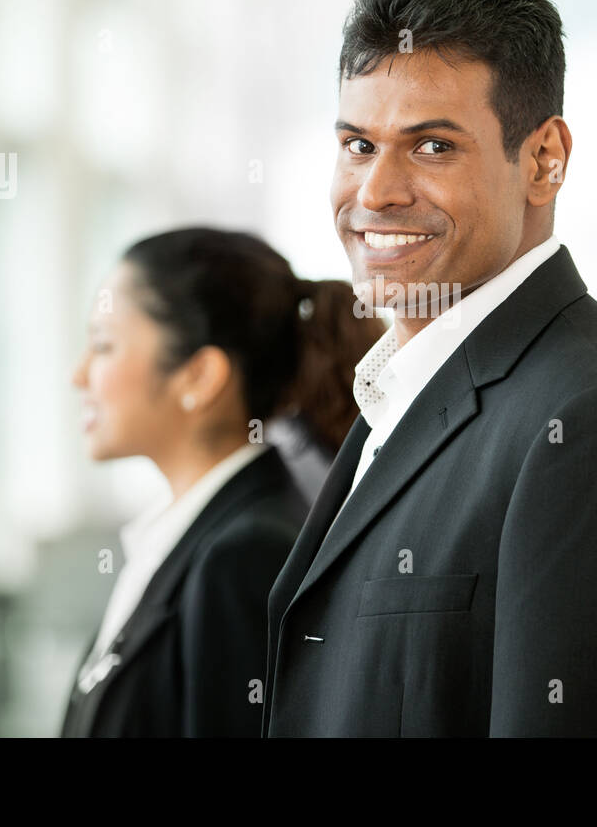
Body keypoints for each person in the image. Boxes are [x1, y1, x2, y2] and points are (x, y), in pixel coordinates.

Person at [263, 0, 597, 737]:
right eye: (358, 145)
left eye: (432, 147)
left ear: (544, 160)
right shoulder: (402, 389)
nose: (376, 194)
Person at [61, 227, 381, 736]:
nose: (80, 375)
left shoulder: (244, 554)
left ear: (200, 377)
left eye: (103, 346)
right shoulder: (184, 538)